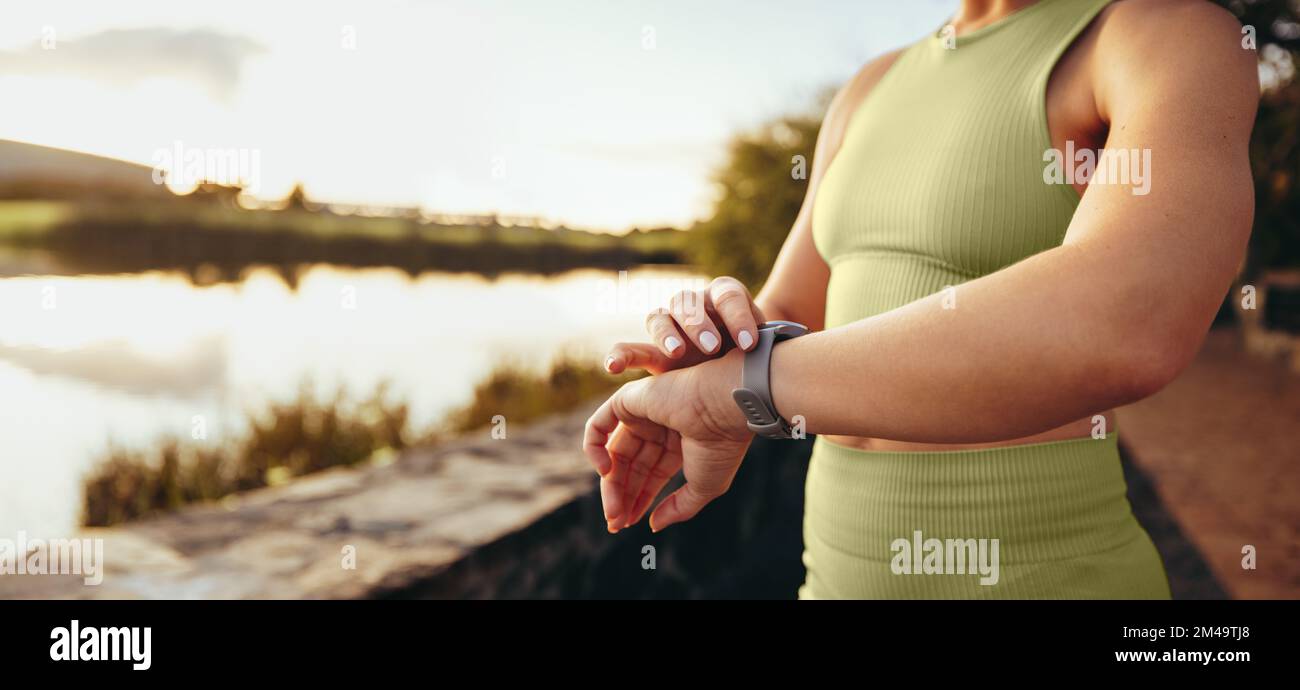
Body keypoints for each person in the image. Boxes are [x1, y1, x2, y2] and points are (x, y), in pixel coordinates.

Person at [583, 0, 1259, 598]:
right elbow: (793, 314)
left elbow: (1130, 321)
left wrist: (741, 389)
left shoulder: (1163, 34)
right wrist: (718, 338)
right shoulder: (869, 88)